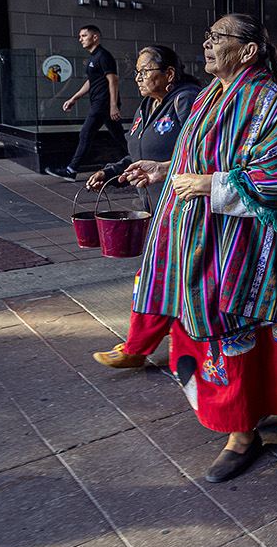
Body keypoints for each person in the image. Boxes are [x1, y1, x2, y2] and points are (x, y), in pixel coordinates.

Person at [121, 14, 277, 483]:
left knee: (232, 331)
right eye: (206, 36)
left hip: (243, 247)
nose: (206, 44)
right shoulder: (211, 95)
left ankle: (243, 435)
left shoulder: (264, 99)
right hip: (203, 239)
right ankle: (249, 416)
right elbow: (201, 155)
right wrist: (163, 169)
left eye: (217, 37)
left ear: (247, 51)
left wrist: (210, 184)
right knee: (221, 335)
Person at [87, 44, 204, 369]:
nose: (138, 77)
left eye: (145, 70)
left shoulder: (186, 99)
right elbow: (137, 153)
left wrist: (165, 169)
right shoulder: (145, 107)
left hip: (186, 207)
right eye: (136, 72)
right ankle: (151, 343)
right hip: (159, 208)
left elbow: (199, 152)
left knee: (157, 276)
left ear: (168, 73)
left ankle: (138, 347)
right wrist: (110, 171)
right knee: (168, 278)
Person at [46, 24, 125, 180]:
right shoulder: (93, 57)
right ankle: (138, 156)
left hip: (103, 103)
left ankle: (71, 170)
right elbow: (92, 81)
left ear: (95, 37)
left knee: (85, 134)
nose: (80, 39)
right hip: (100, 102)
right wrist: (74, 98)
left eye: (83, 36)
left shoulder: (103, 56)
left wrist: (113, 105)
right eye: (80, 36)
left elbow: (113, 80)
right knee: (120, 137)